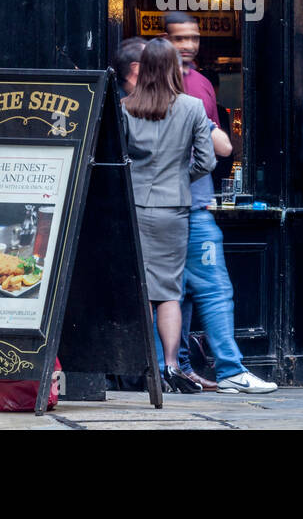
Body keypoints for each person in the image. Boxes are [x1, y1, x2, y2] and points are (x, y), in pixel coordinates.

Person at [163, 12, 277, 394]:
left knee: (173, 293)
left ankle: (175, 369)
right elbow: (219, 147)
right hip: (191, 203)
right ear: (164, 41)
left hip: (160, 206)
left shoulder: (195, 82)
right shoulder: (176, 87)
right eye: (180, 39)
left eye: (193, 37)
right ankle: (228, 370)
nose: (190, 45)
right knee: (211, 289)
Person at [121, 37, 215, 394]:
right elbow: (206, 162)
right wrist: (179, 178)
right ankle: (172, 366)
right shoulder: (192, 107)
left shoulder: (126, 107)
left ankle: (144, 365)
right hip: (173, 207)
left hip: (136, 206)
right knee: (170, 291)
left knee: (142, 288)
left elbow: (120, 160)